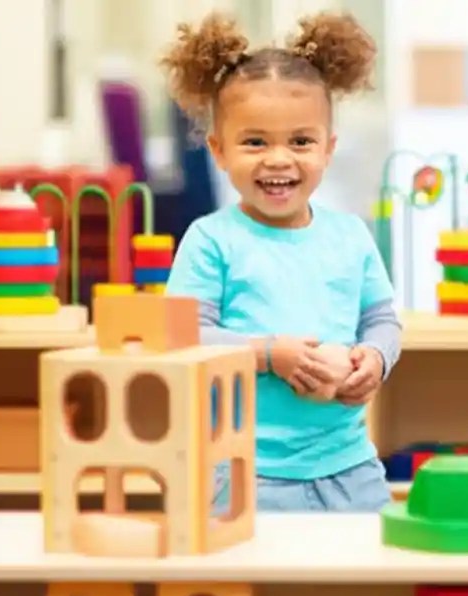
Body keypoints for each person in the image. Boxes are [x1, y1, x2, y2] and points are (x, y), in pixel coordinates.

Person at [161, 12, 399, 512]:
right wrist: (270, 354)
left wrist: (374, 359)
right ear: (218, 151)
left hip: (350, 466)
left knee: (362, 586)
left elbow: (380, 319)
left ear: (328, 149)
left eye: (300, 141)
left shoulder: (350, 236)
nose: (278, 159)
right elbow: (181, 337)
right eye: (254, 142)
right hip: (244, 471)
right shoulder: (210, 240)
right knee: (258, 589)